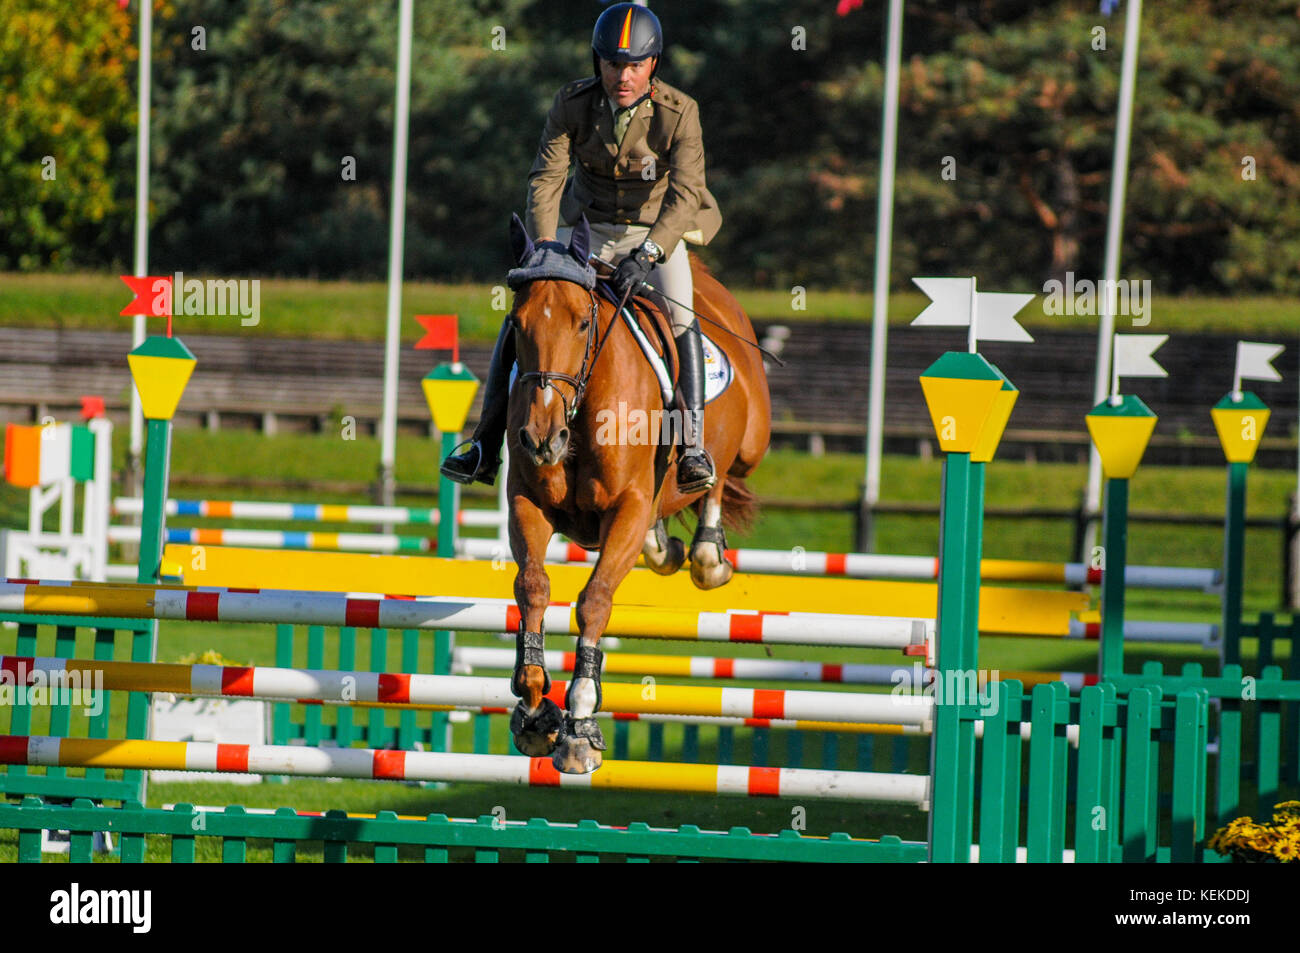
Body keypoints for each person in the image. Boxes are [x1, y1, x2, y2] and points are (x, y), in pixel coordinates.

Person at [441, 1, 723, 494]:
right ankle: (485, 442)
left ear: (652, 64)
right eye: (613, 64)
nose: (623, 76)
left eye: (634, 65)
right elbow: (547, 180)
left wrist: (650, 254)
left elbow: (686, 196)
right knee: (529, 314)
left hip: (655, 230)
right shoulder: (572, 103)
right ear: (599, 63)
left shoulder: (681, 112)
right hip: (584, 233)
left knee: (681, 317)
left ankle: (693, 445)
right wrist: (546, 247)